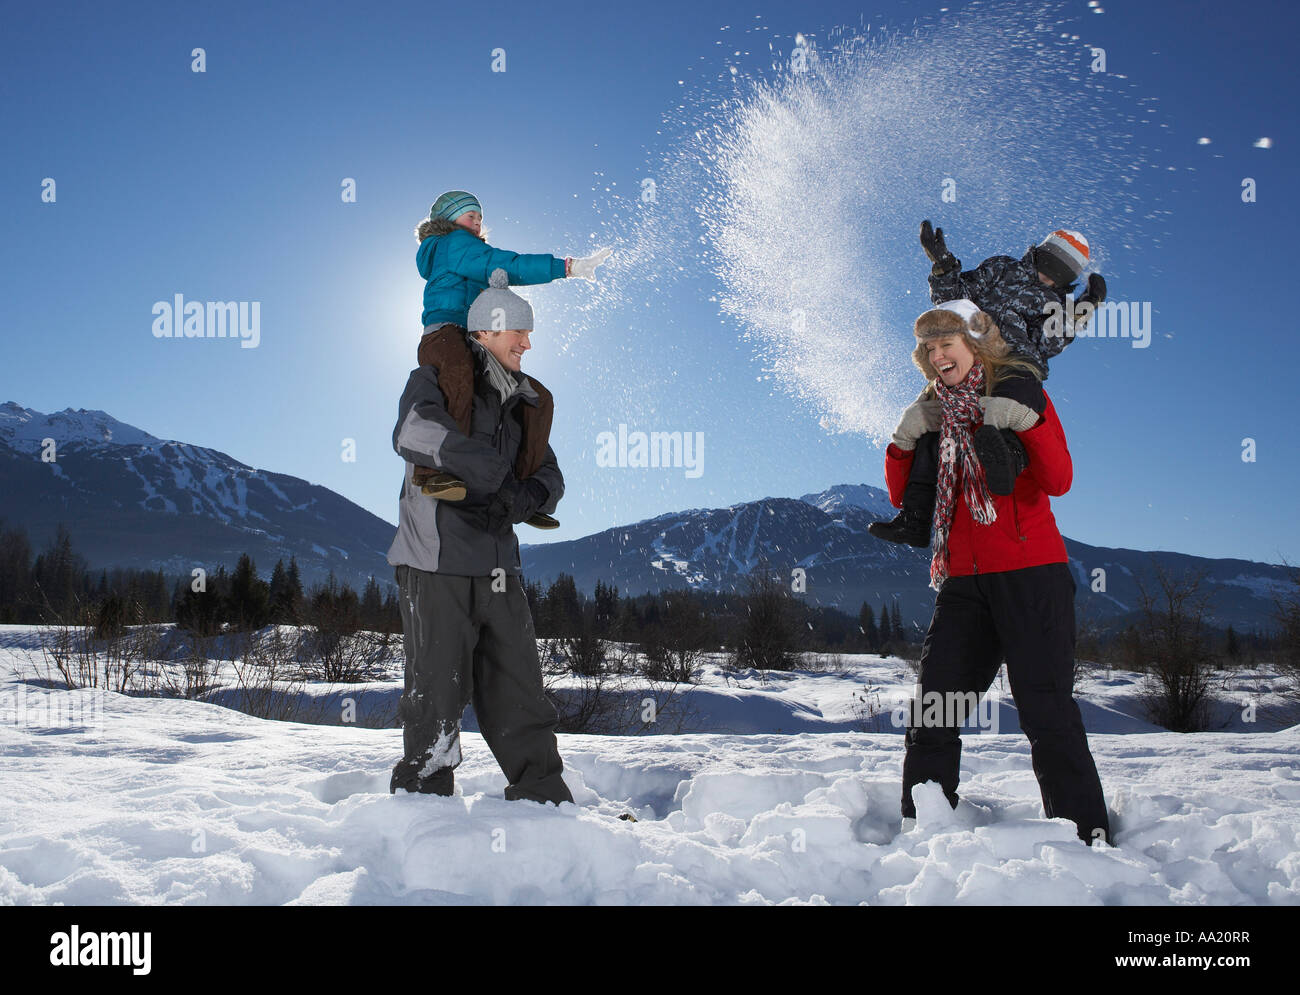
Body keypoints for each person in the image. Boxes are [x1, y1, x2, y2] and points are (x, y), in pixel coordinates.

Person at [883, 301, 1111, 845]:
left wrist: (1024, 424)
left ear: (976, 344)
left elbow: (1059, 479)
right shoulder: (934, 411)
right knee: (936, 706)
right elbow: (904, 497)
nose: (938, 356)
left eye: (948, 344)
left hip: (1031, 574)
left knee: (1045, 709)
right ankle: (925, 830)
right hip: (964, 582)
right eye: (929, 349)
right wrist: (903, 439)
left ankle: (1086, 839)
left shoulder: (1019, 391)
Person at [387, 268, 573, 805]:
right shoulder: (436, 380)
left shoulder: (525, 403)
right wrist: (489, 470)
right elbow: (412, 432)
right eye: (517, 331)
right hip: (435, 561)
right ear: (485, 332)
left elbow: (551, 477)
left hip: (498, 567)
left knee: (520, 688)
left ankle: (543, 800)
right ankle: (423, 807)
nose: (528, 342)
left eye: (529, 332)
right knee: (436, 694)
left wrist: (523, 498)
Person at [869, 223, 1106, 547]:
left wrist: (1082, 310)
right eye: (1047, 269)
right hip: (967, 353)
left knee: (1014, 400)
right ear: (1038, 256)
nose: (1048, 280)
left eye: (1059, 278)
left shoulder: (1055, 304)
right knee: (929, 421)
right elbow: (951, 299)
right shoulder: (1002, 268)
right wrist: (942, 265)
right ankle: (915, 517)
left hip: (1016, 360)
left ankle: (1005, 459)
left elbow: (1048, 342)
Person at [409, 190, 611, 526]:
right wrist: (566, 267)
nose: (477, 221)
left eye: (480, 216)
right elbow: (504, 264)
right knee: (458, 377)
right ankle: (434, 471)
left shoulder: (465, 246)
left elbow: (499, 278)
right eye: (470, 214)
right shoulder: (454, 243)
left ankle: (522, 489)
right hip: (444, 334)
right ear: (448, 218)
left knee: (536, 398)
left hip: (477, 338)